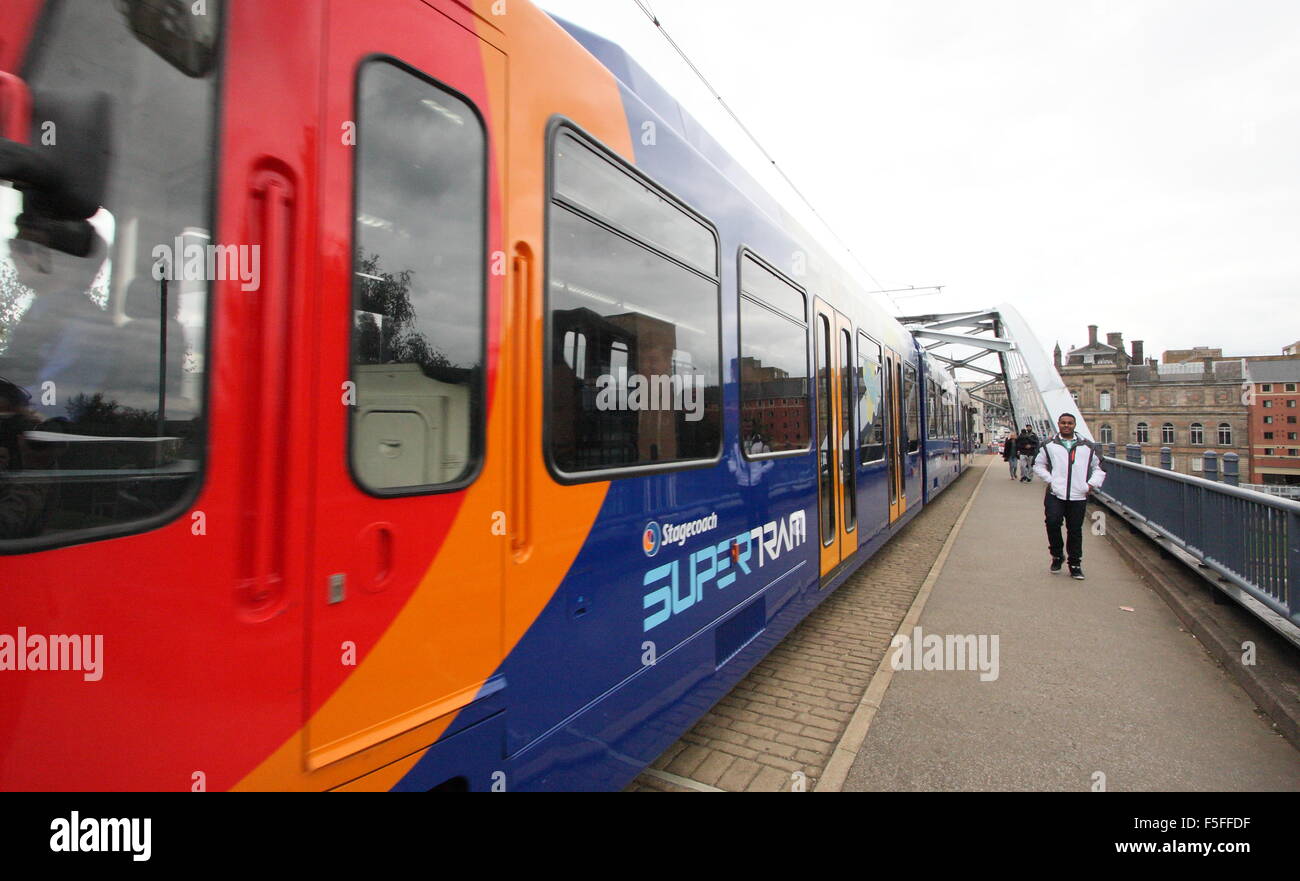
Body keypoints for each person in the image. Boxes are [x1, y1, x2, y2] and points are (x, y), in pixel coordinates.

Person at [1033, 412, 1105, 580]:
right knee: (1052, 523)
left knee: (1074, 530)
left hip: (1078, 495)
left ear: (1074, 425)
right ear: (1058, 424)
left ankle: (1075, 564)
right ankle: (1057, 555)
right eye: (1063, 423)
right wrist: (1050, 480)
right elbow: (1038, 465)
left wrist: (1090, 484)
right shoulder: (1048, 445)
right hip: (1055, 494)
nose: (1066, 425)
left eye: (1069, 423)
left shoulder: (1088, 446)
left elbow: (1100, 467)